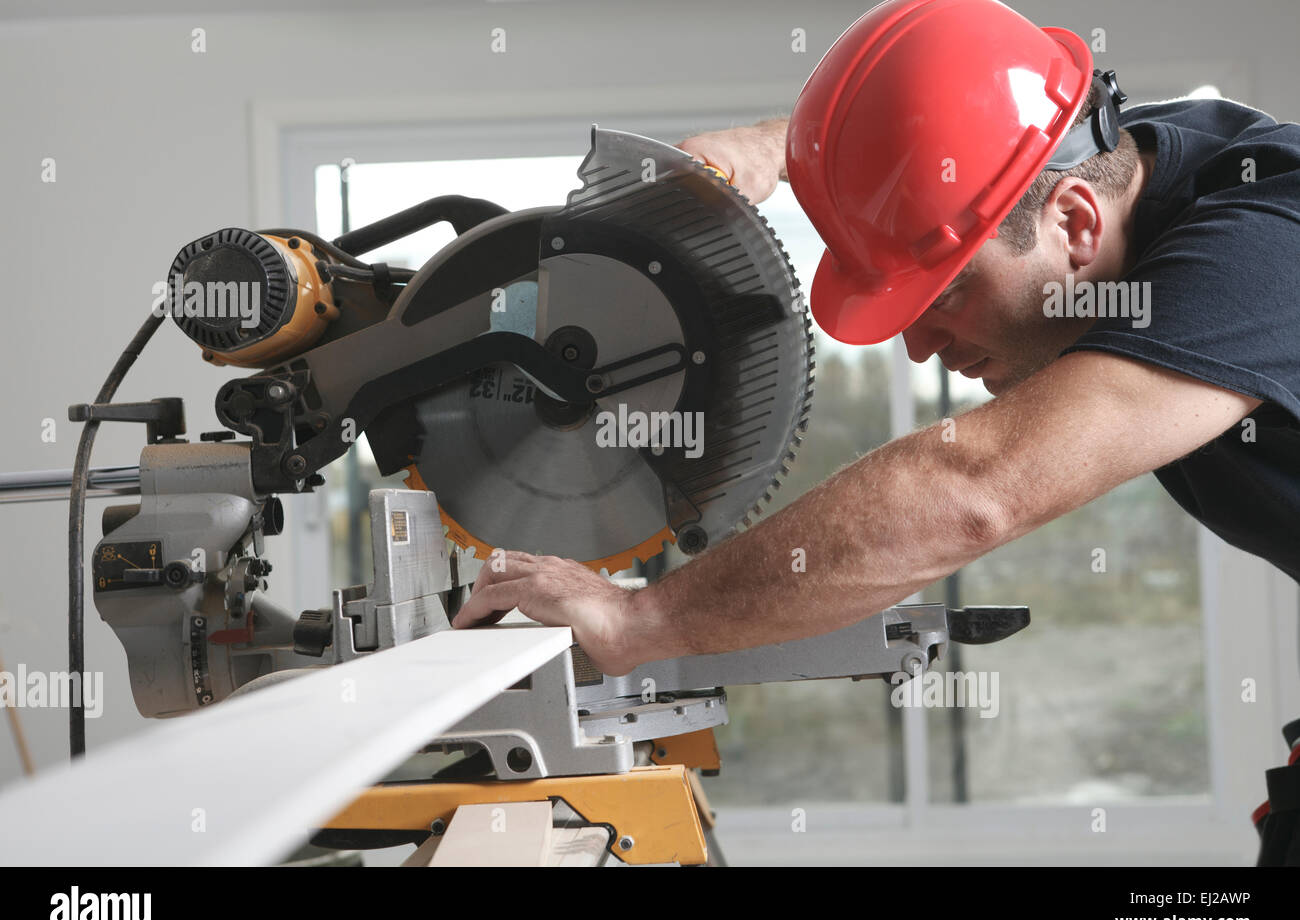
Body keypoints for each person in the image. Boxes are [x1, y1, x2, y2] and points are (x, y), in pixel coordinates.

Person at [451, 0, 1300, 688]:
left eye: (949, 290)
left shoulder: (1265, 242)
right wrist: (783, 150)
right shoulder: (1132, 161)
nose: (923, 348)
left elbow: (976, 487)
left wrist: (638, 621)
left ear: (1074, 223)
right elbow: (968, 122)